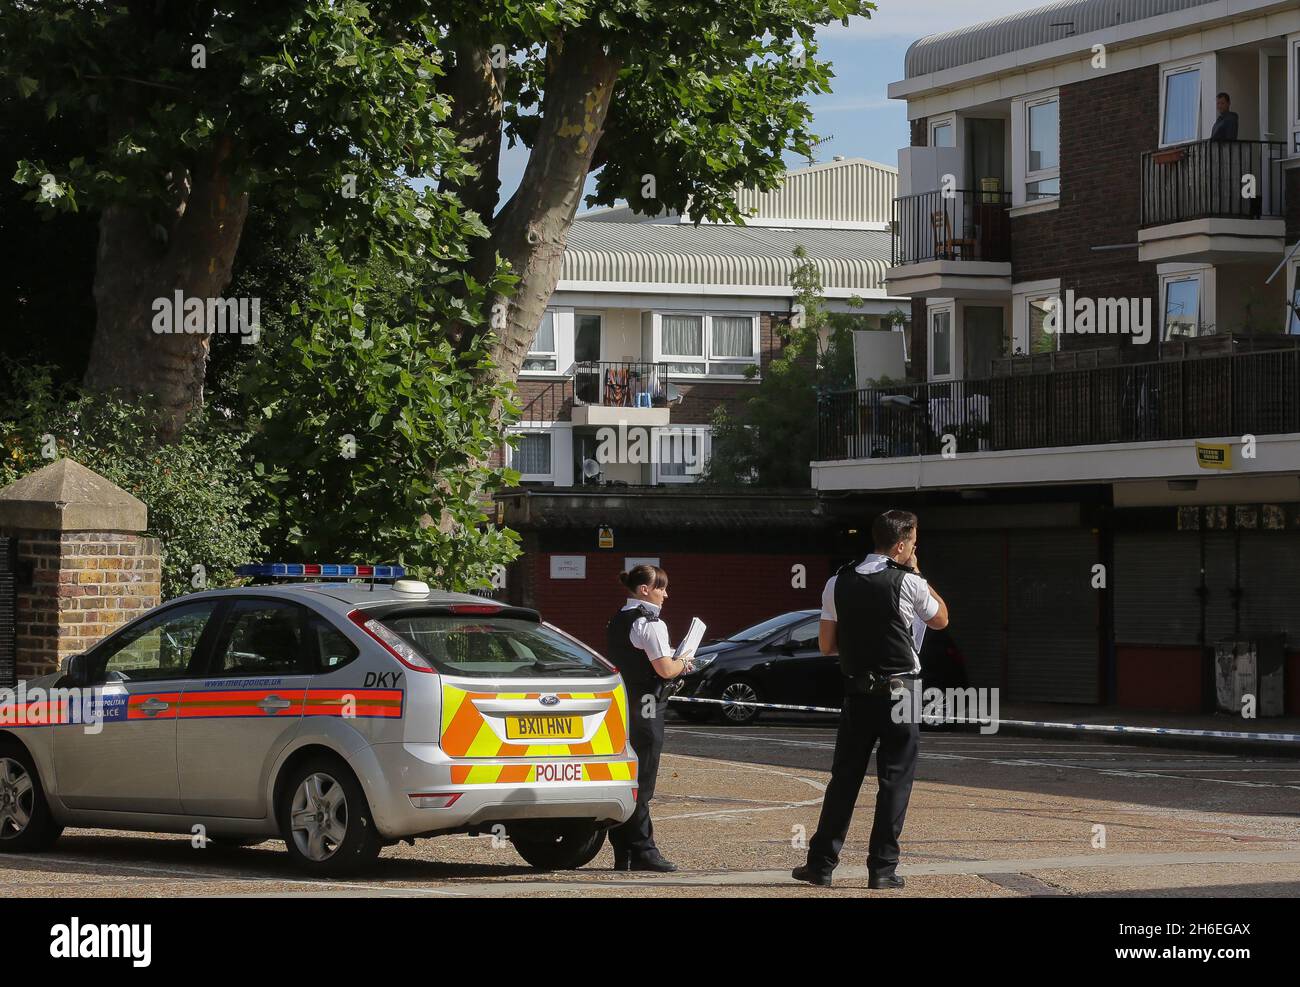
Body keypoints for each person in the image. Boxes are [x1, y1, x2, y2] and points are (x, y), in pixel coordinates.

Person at [792, 509, 949, 890]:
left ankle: (821, 864)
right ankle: (882, 870)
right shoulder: (909, 583)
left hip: (857, 691)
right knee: (894, 782)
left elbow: (827, 645)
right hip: (902, 691)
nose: (914, 546)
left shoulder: (837, 582)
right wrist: (916, 571)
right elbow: (941, 618)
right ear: (901, 545)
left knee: (844, 780)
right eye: (912, 541)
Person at [605, 564, 695, 872]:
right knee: (642, 781)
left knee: (627, 776)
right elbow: (665, 670)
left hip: (623, 704)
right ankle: (644, 850)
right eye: (661, 588)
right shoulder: (651, 622)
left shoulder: (618, 617)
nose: (666, 594)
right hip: (647, 705)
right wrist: (685, 660)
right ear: (645, 589)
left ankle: (623, 851)